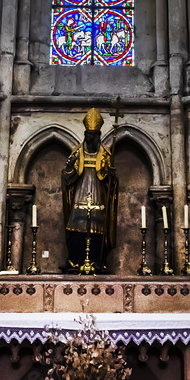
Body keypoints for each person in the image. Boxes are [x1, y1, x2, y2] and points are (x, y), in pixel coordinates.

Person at [61, 107, 118, 274]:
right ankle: (74, 261)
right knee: (76, 228)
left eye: (94, 134)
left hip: (98, 197)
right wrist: (70, 168)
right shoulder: (77, 153)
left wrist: (112, 177)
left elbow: (112, 185)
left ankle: (96, 261)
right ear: (85, 134)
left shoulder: (106, 155)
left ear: (99, 135)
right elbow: (67, 179)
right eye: (89, 134)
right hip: (79, 194)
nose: (91, 137)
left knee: (96, 230)